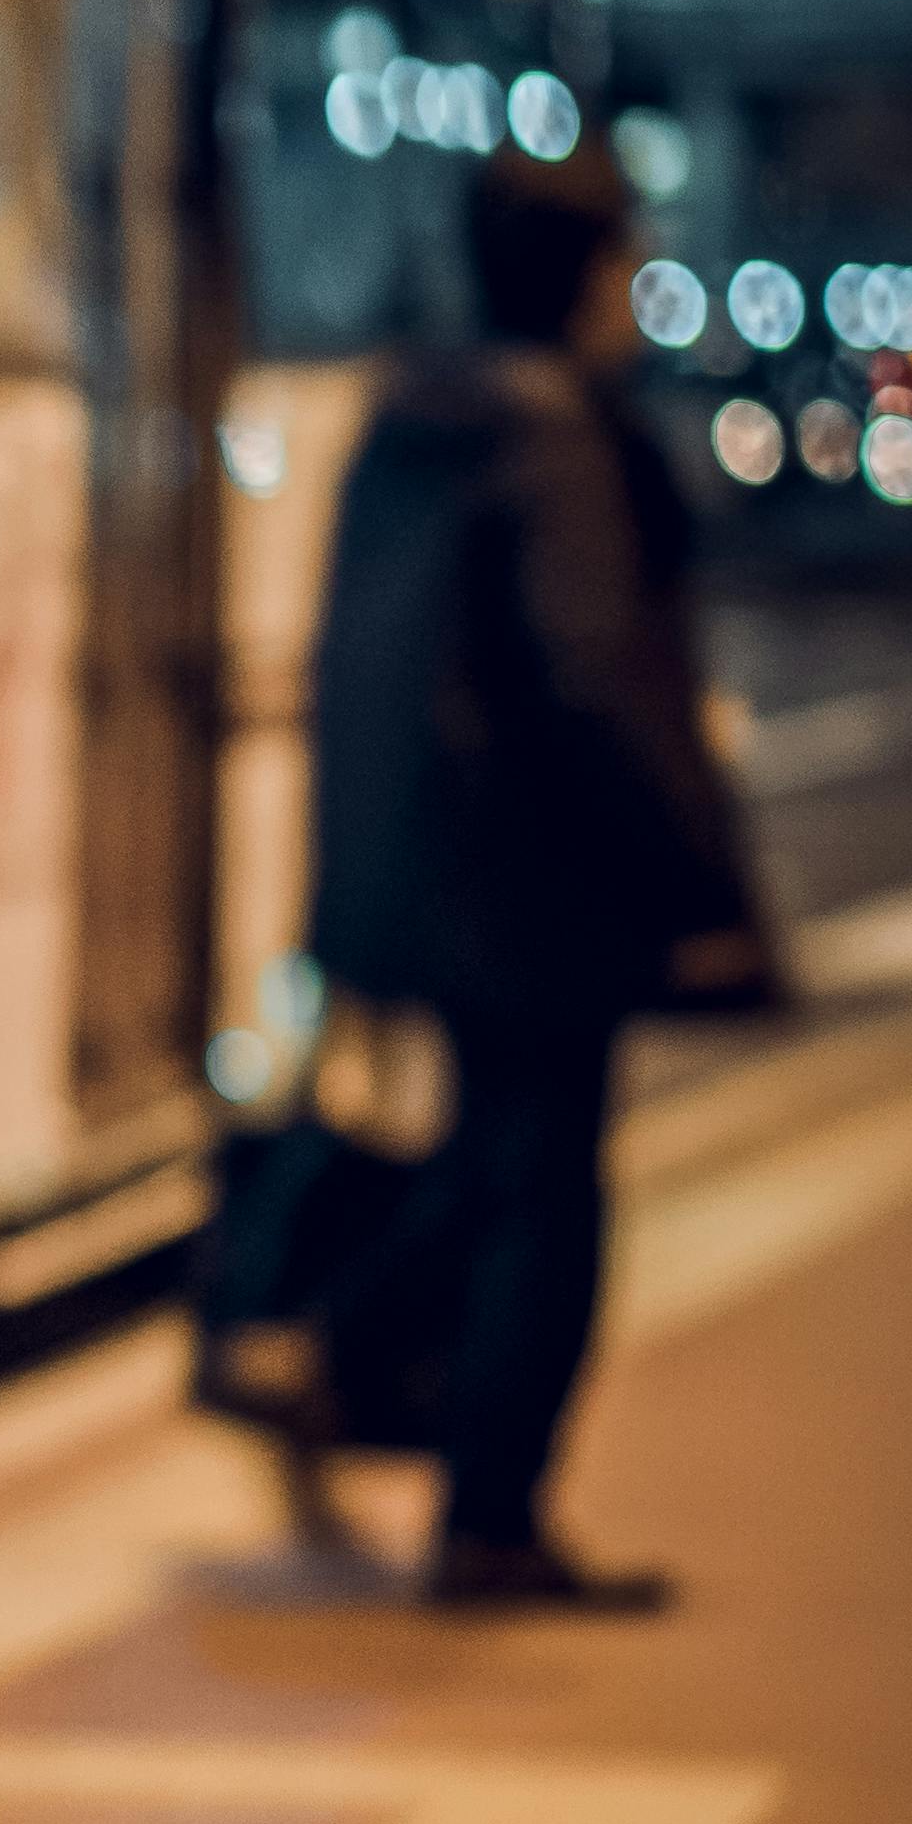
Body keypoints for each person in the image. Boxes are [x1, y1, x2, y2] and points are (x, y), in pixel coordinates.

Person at [279, 133, 773, 1606]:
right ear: (590, 273)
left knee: (496, 1166)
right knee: (546, 1201)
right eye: (628, 261)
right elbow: (595, 682)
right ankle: (488, 1515)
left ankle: (337, 1352)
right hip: (541, 900)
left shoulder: (411, 419)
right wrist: (700, 882)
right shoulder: (556, 438)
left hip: (430, 883)